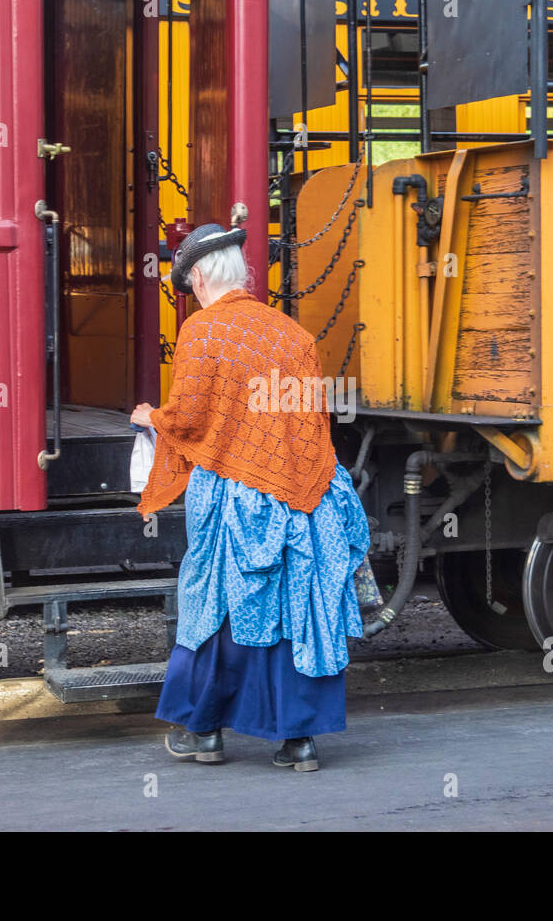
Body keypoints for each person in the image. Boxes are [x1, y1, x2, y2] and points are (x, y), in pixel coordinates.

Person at [130, 222, 370, 773]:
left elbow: (190, 419)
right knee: (296, 611)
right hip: (301, 491)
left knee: (215, 606)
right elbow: (311, 423)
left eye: (185, 280)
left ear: (195, 277)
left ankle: (204, 733)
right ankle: (300, 742)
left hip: (232, 493)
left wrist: (153, 417)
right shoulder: (292, 334)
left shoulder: (202, 331)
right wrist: (300, 487)